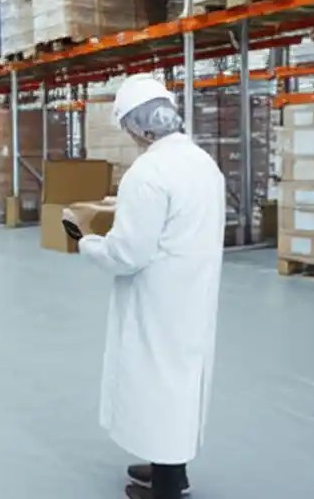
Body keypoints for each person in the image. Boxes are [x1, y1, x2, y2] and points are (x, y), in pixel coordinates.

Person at [64, 74, 226, 499]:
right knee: (181, 378)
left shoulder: (147, 172)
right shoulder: (200, 161)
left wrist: (86, 243)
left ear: (138, 126)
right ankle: (169, 466)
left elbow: (127, 254)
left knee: (158, 382)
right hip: (193, 289)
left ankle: (170, 487)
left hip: (158, 295)